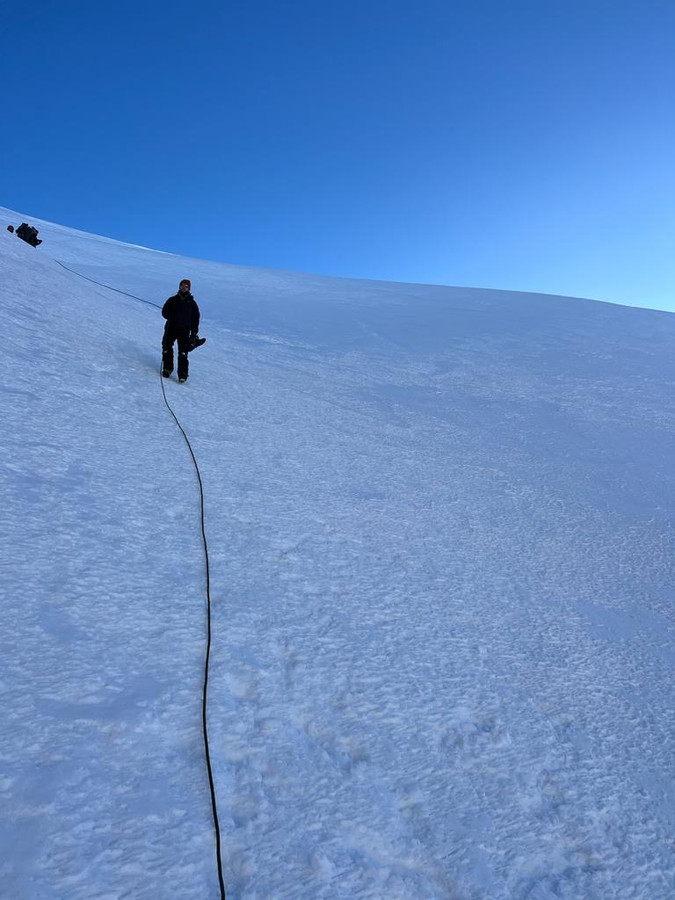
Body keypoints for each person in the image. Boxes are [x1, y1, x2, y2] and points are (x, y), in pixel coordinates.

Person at [161, 279, 201, 383]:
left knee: (183, 352)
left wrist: (194, 332)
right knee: (166, 347)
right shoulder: (172, 300)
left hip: (184, 331)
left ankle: (183, 374)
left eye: (186, 286)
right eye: (182, 285)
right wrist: (169, 315)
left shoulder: (192, 304)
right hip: (171, 328)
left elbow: (195, 319)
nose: (184, 287)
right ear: (179, 287)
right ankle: (167, 368)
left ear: (189, 288)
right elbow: (164, 312)